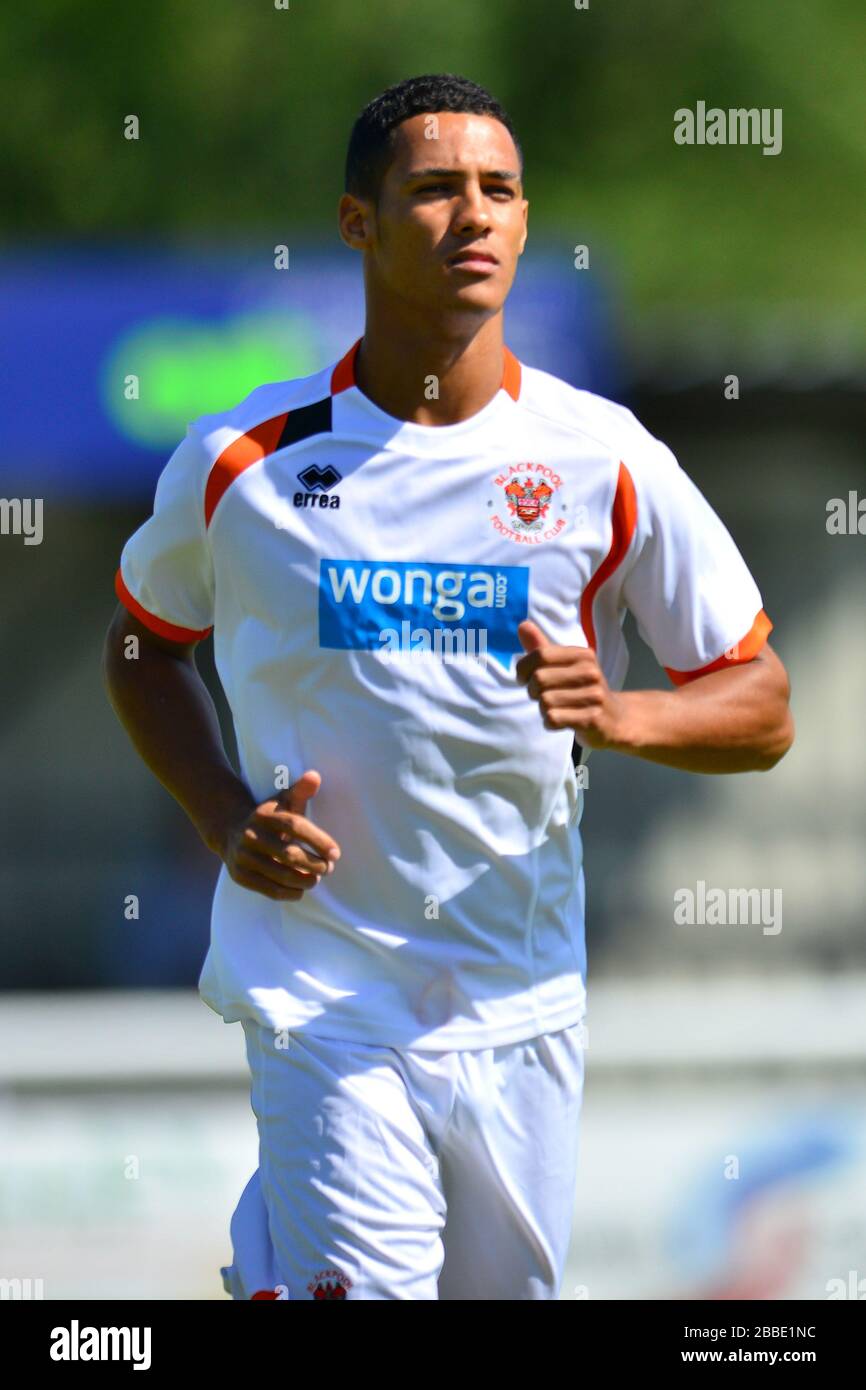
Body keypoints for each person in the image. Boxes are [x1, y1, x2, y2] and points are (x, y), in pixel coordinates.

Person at [102, 73, 794, 1301]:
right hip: (322, 989)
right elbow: (144, 641)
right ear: (357, 223)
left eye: (498, 190)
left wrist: (618, 714)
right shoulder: (244, 465)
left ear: (525, 222)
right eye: (432, 188)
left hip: (520, 994)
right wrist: (219, 812)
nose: (472, 214)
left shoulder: (604, 459)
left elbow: (760, 703)